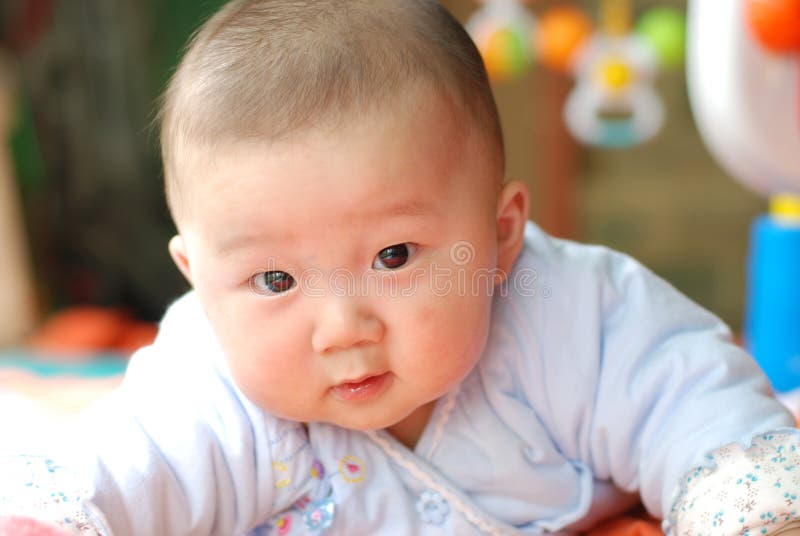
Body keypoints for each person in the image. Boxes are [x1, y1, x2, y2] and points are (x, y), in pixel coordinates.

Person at [2, 1, 800, 534]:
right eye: (275, 281)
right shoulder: (209, 387)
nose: (342, 329)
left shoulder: (570, 312)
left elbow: (692, 403)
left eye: (393, 256)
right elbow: (115, 474)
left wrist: (739, 502)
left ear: (499, 235)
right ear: (199, 279)